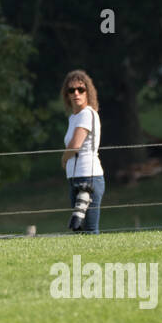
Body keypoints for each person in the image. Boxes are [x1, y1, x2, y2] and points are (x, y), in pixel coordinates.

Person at [60, 70, 104, 234]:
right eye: (71, 90)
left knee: (90, 230)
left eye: (80, 89)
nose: (76, 93)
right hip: (74, 177)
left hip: (89, 176)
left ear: (88, 92)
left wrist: (64, 159)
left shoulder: (87, 114)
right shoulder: (73, 117)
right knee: (78, 230)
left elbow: (75, 145)